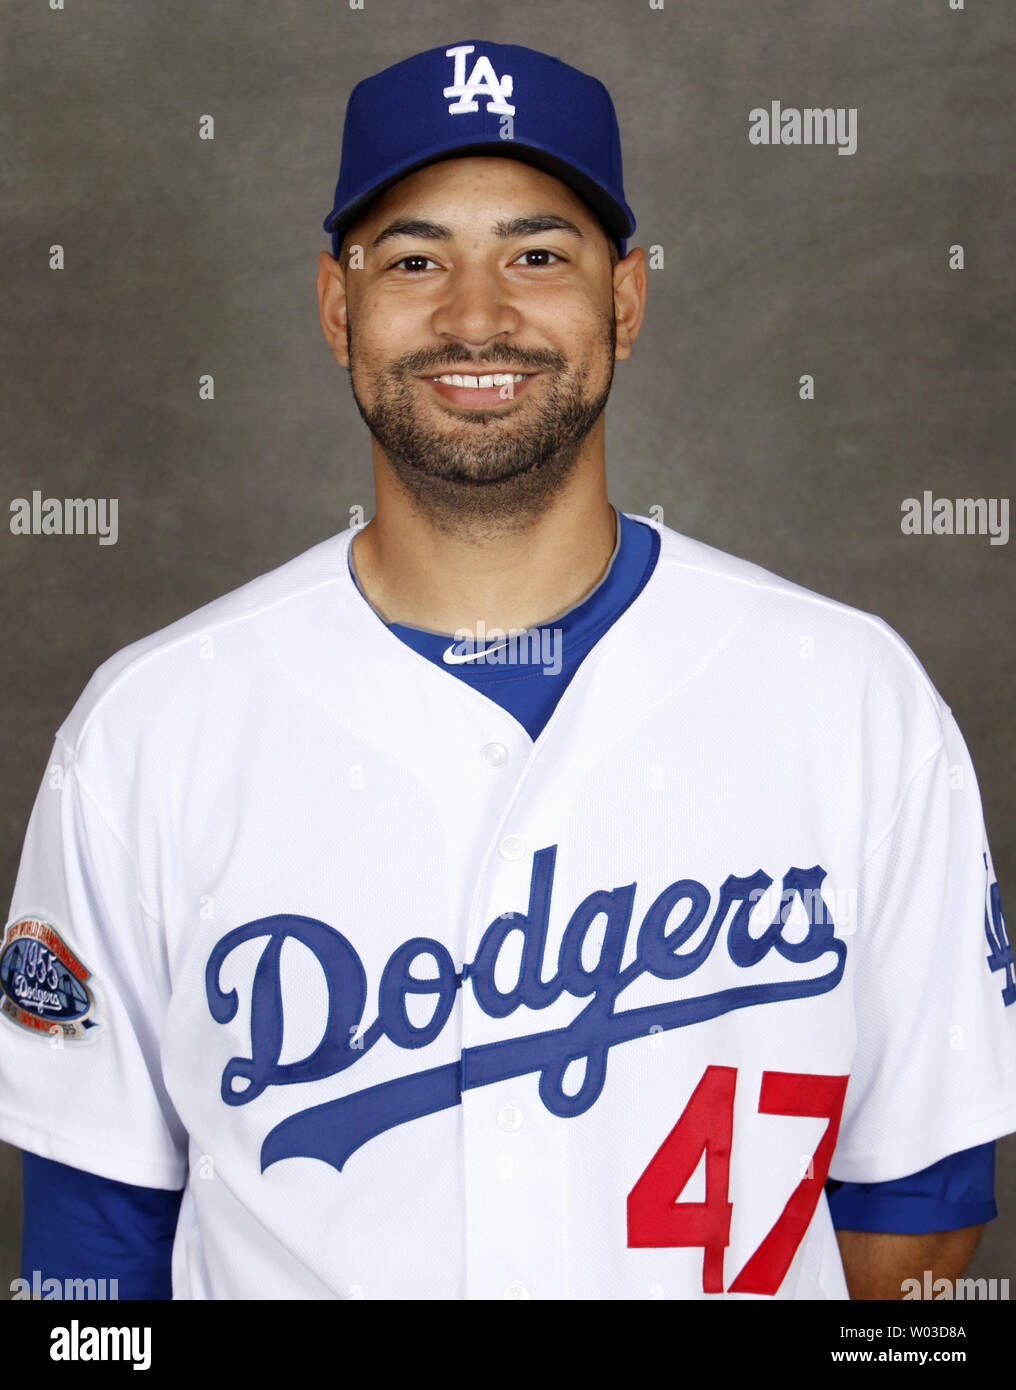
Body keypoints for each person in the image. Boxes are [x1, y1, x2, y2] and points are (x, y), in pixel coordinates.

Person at [2, 38, 1014, 1302]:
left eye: (536, 256)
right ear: (336, 308)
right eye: (415, 259)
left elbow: (913, 1212)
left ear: (625, 302)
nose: (474, 316)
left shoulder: (852, 697)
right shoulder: (152, 726)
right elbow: (91, 1258)